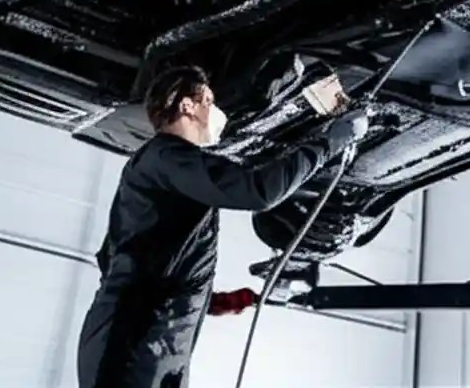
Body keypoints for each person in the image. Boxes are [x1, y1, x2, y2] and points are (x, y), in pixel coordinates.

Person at [76, 65, 366, 388]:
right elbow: (257, 191)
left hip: (140, 344)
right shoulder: (167, 159)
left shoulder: (164, 163)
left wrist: (206, 301)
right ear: (187, 106)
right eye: (209, 102)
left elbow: (127, 263)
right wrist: (329, 143)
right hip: (136, 347)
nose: (214, 111)